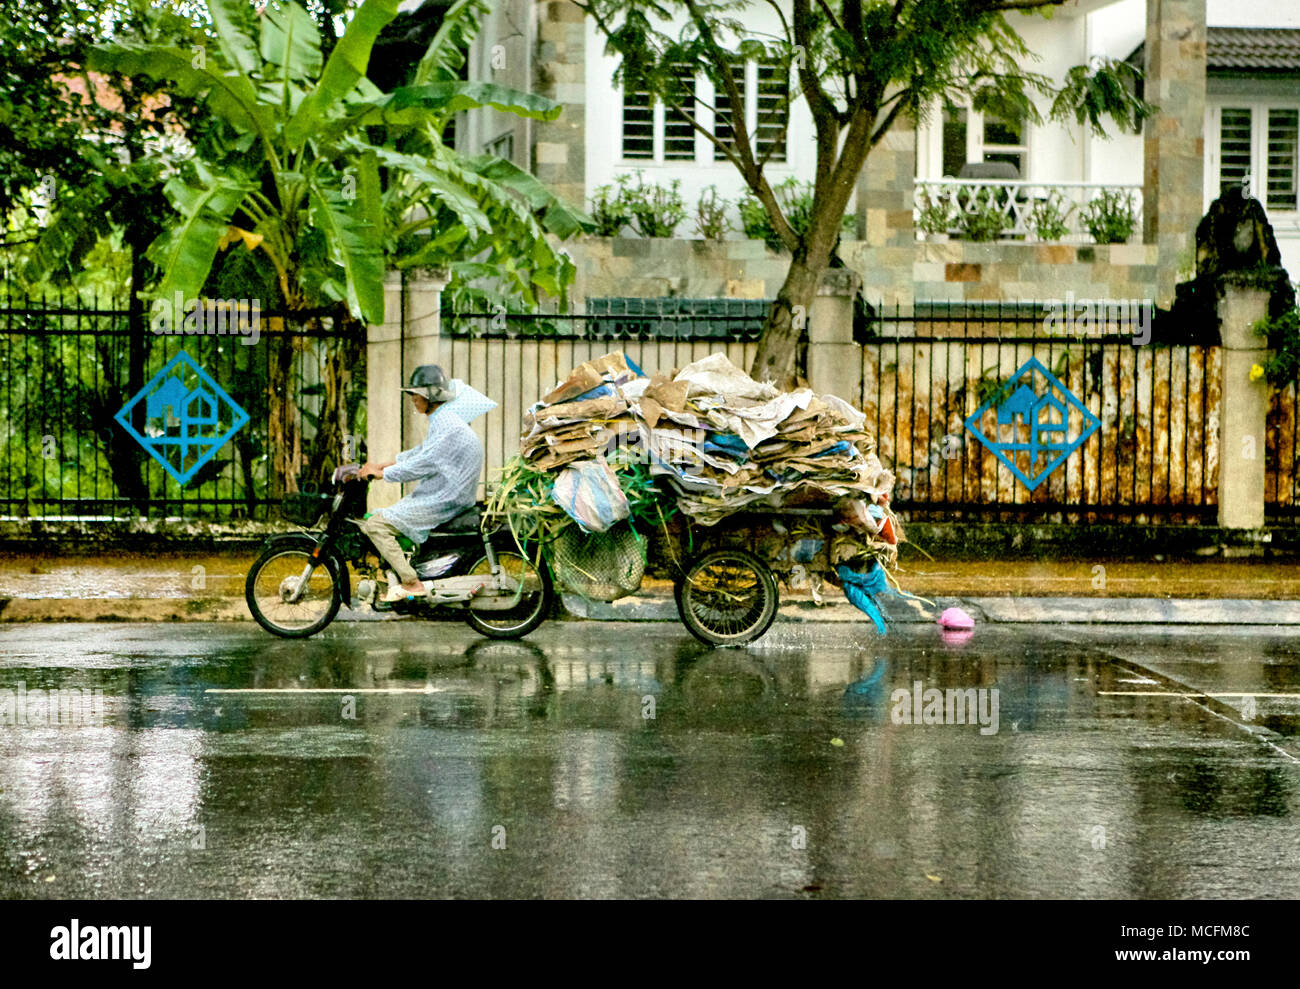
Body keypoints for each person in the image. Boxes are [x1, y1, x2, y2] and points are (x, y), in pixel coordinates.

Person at [355, 365, 483, 601]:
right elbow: (421, 452)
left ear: (430, 396)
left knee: (375, 525)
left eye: (416, 394)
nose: (413, 399)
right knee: (388, 517)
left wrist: (384, 475)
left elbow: (423, 462)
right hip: (445, 490)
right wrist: (380, 465)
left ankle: (411, 582)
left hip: (446, 496)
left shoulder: (446, 424)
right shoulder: (443, 419)